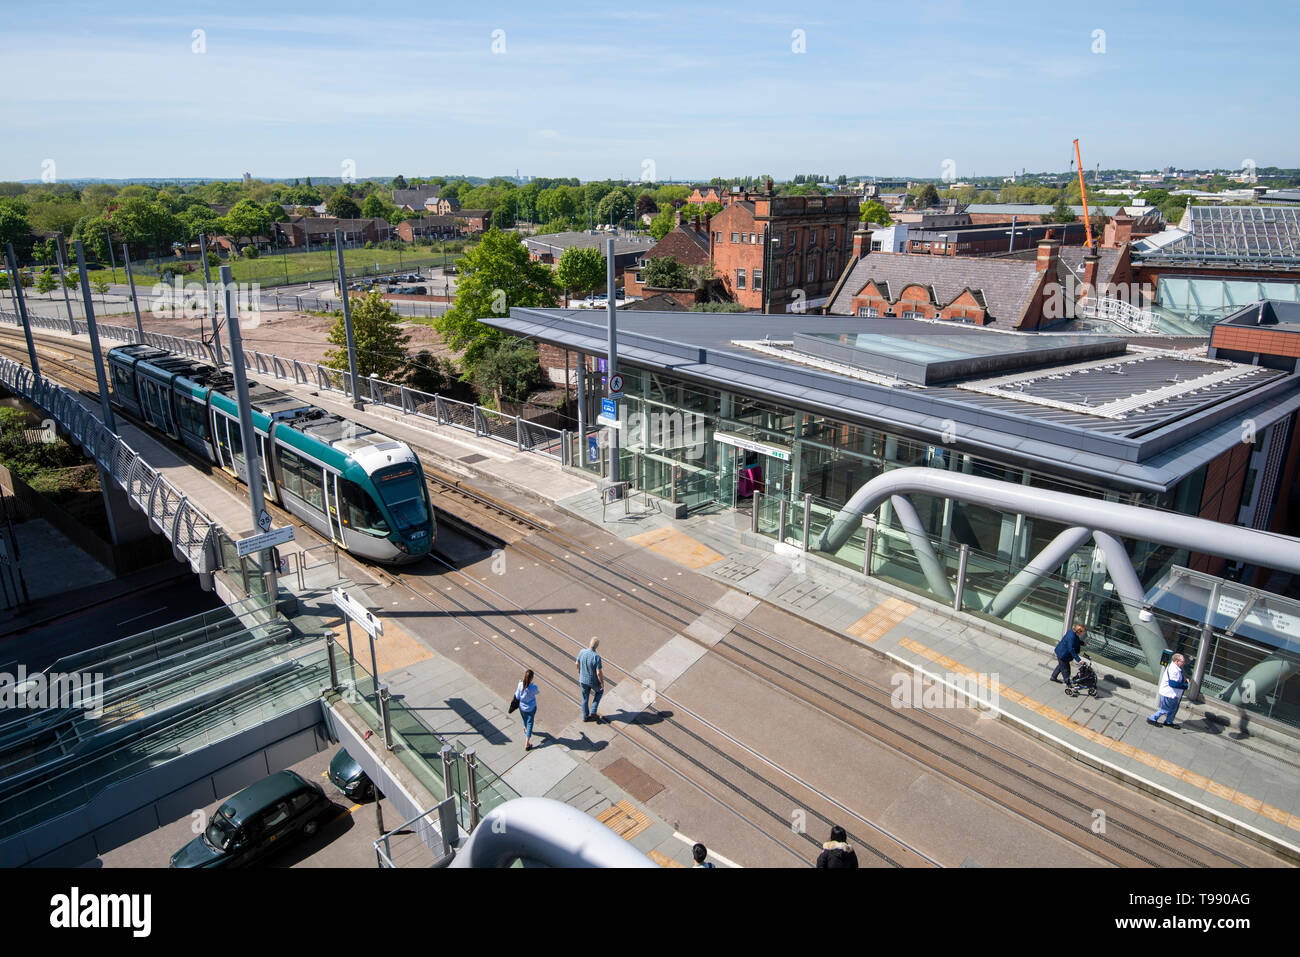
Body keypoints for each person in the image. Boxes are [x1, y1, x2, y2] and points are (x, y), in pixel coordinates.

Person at [1148, 654, 1189, 728]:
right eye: (1182, 661)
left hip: (1172, 694)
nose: (1184, 663)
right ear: (1177, 661)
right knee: (1165, 709)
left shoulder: (1175, 667)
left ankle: (1169, 721)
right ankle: (1152, 718)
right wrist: (1185, 686)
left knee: (1173, 708)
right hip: (1169, 694)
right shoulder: (1174, 670)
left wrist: (1184, 679)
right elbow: (1173, 684)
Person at [1050, 623, 1087, 688]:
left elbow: (1077, 641)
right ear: (1079, 631)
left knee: (1061, 665)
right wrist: (1078, 660)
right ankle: (1068, 684)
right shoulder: (1072, 637)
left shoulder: (1072, 632)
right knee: (1066, 670)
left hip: (1062, 652)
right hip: (1063, 654)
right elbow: (1071, 649)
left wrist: (1083, 643)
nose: (1083, 634)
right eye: (1083, 632)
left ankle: (1053, 677)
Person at [577, 638, 604, 722]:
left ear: (590, 643)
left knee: (585, 698)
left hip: (582, 680)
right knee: (599, 692)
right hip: (593, 681)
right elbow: (599, 672)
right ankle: (593, 712)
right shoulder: (596, 657)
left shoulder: (582, 652)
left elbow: (577, 663)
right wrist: (601, 682)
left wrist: (579, 672)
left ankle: (585, 716)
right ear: (597, 647)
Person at [516, 669, 540, 750]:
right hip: (531, 708)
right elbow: (537, 692)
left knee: (524, 718)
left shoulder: (520, 685)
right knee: (530, 724)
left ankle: (525, 727)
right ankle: (527, 743)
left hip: (522, 707)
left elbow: (517, 696)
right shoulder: (533, 687)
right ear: (532, 678)